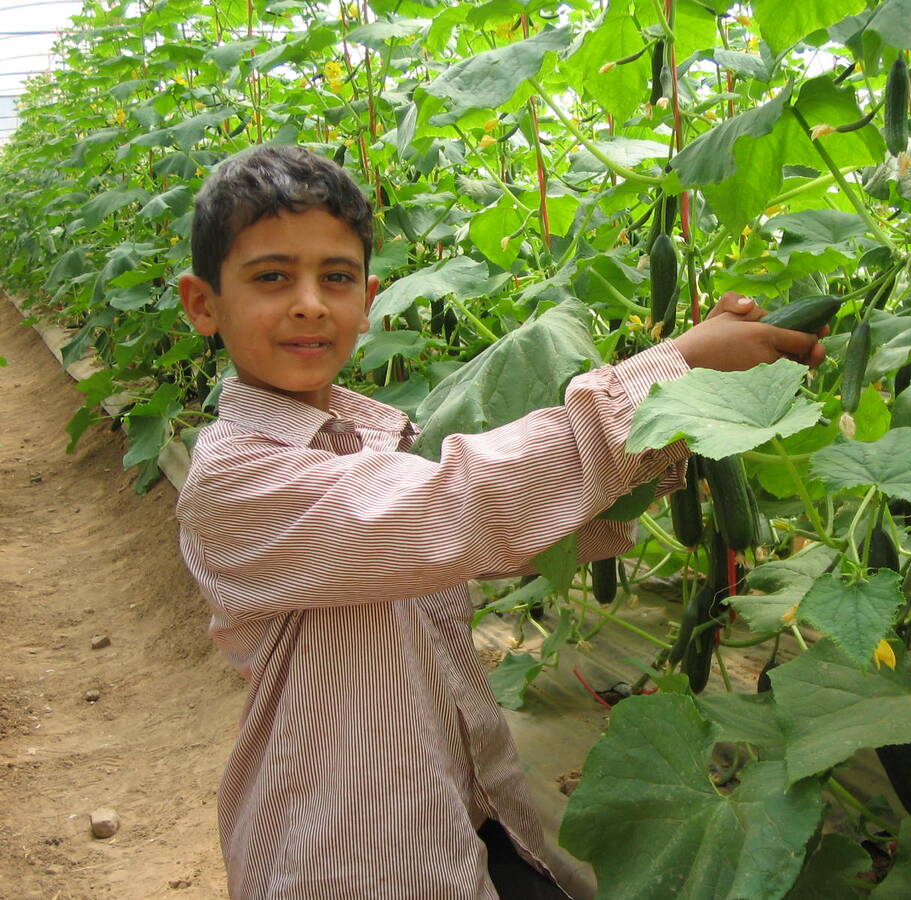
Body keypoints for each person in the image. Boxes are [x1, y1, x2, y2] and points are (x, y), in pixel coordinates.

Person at [174, 144, 826, 900]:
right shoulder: (232, 481)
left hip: (461, 808)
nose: (310, 303)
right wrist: (669, 375)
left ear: (369, 298)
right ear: (202, 305)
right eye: (272, 277)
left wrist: (686, 409)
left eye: (337, 278)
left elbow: (503, 537)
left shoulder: (359, 443)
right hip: (344, 857)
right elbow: (461, 505)